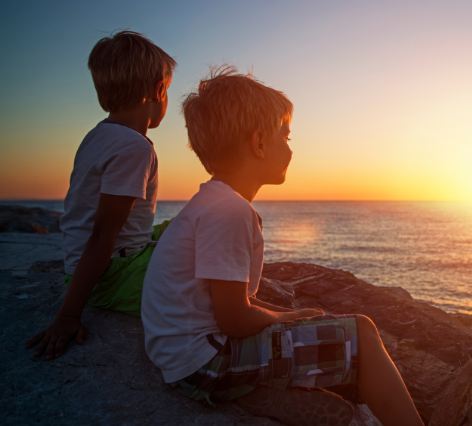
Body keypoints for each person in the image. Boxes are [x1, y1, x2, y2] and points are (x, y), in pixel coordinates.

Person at [140, 66, 424, 426]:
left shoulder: (213, 202)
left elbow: (228, 299)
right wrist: (287, 317)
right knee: (363, 334)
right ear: (259, 144)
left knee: (318, 325)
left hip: (184, 358)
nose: (290, 149)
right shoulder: (230, 211)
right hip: (205, 364)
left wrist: (291, 317)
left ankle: (261, 392)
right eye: (286, 137)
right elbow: (234, 317)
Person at [25, 31, 176, 360]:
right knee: (205, 268)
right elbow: (102, 234)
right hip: (112, 276)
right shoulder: (134, 148)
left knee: (190, 225)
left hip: (96, 264)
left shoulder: (99, 135)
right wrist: (68, 315)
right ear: (158, 89)